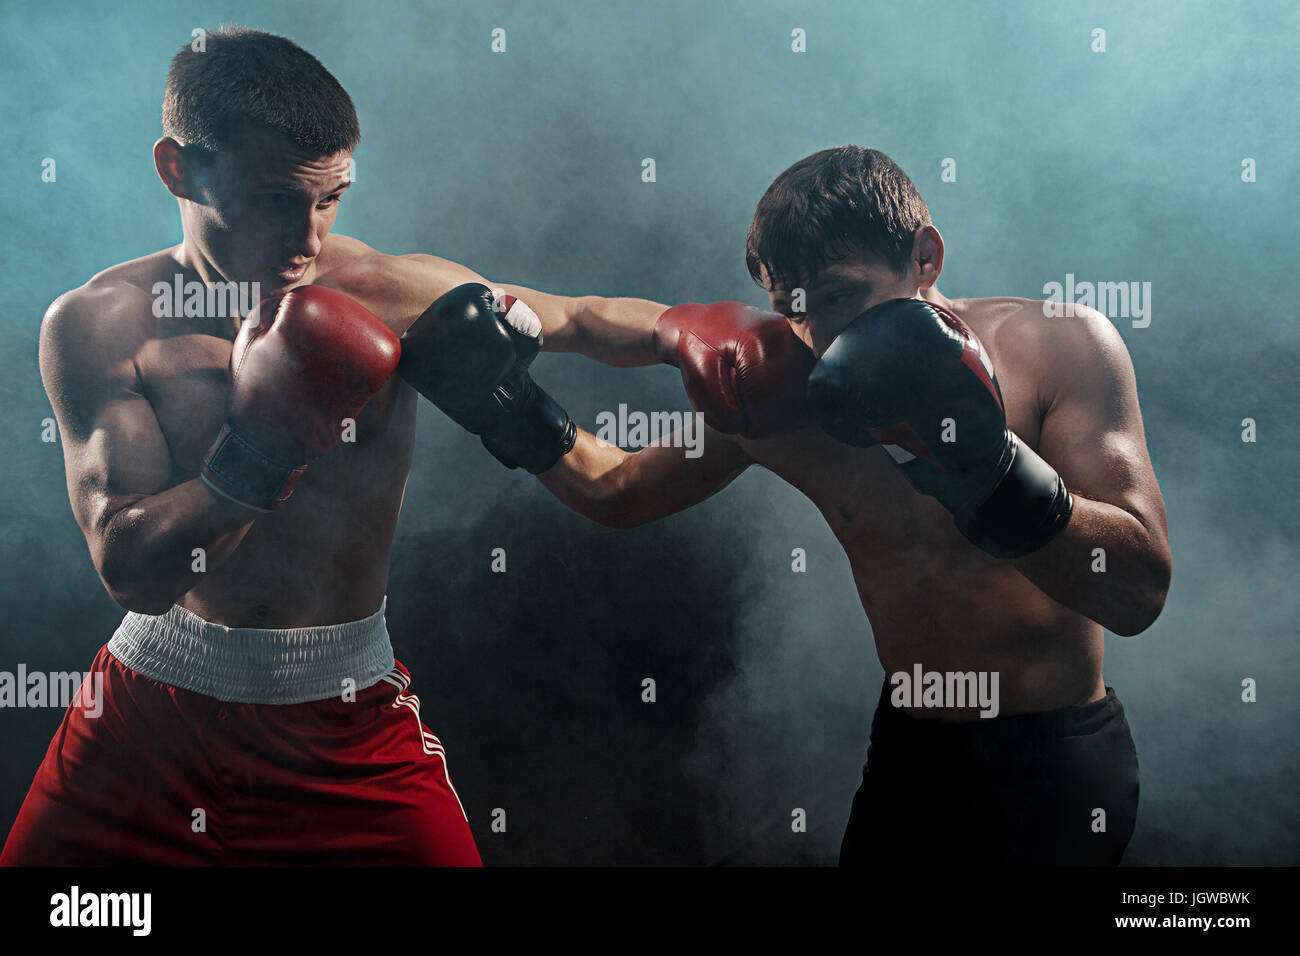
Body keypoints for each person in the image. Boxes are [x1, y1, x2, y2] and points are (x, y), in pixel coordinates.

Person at [1, 26, 665, 866]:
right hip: (148, 726)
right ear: (178, 169)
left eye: (330, 198)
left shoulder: (385, 292)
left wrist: (702, 336)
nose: (308, 238)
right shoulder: (101, 325)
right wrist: (261, 452)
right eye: (276, 200)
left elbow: (584, 318)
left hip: (346, 719)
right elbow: (132, 570)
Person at [446, 146, 1172, 865]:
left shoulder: (1060, 347)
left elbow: (1138, 591)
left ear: (925, 257)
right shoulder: (782, 393)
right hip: (912, 751)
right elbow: (620, 489)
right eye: (793, 309)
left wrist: (988, 467)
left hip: (1055, 757)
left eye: (840, 297)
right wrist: (511, 411)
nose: (820, 337)